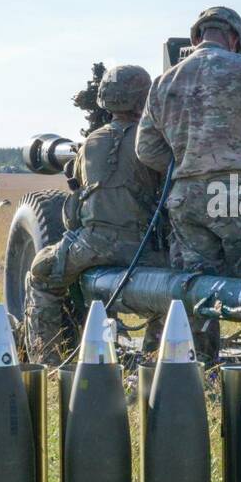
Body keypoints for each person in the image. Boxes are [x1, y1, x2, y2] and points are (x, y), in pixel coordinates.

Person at [136, 6, 241, 359]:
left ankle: (200, 370)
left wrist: (187, 166)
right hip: (236, 194)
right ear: (235, 38)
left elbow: (146, 149)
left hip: (185, 198)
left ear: (196, 37)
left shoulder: (164, 81)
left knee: (196, 291)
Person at [25, 65, 166, 363]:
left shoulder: (91, 143)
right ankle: (154, 362)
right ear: (144, 98)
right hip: (143, 249)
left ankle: (46, 361)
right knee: (169, 293)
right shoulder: (153, 141)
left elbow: (74, 211)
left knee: (41, 276)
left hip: (93, 246)